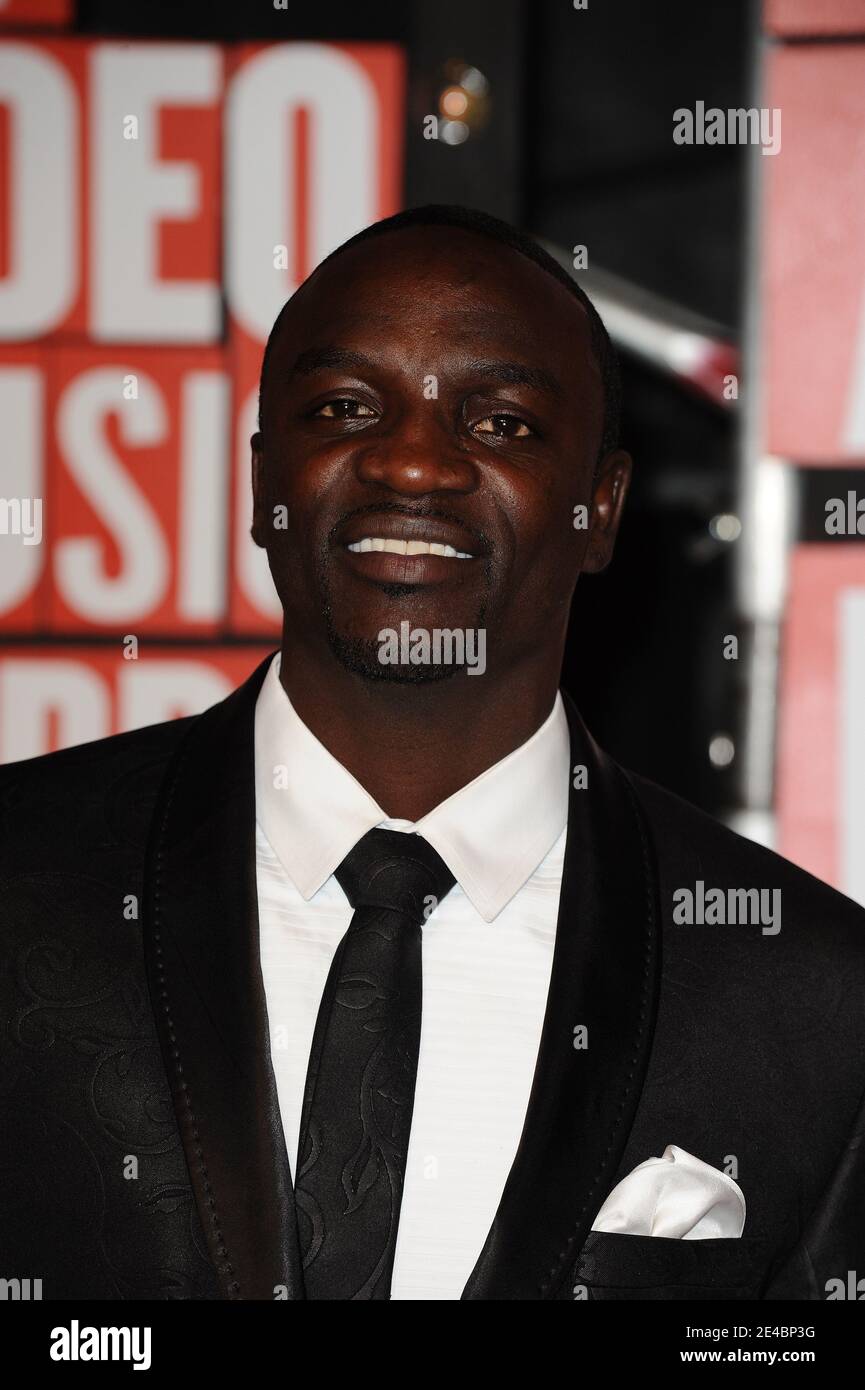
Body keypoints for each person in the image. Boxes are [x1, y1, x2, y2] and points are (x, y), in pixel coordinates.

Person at [1, 205, 863, 1302]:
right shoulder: (24, 877)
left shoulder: (815, 999)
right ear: (265, 482)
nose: (410, 462)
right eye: (345, 407)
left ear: (598, 509)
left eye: (499, 422)